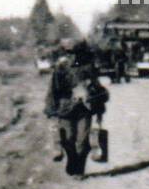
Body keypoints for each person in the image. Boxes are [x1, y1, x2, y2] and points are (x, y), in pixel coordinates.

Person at [45, 38, 108, 178]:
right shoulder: (61, 68)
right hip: (65, 110)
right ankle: (72, 163)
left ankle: (79, 171)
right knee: (68, 139)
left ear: (82, 52)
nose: (73, 56)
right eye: (70, 53)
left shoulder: (88, 67)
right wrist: (51, 110)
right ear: (66, 53)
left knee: (83, 141)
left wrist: (99, 108)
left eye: (76, 52)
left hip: (84, 110)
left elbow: (98, 89)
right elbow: (53, 90)